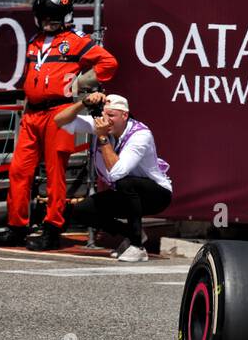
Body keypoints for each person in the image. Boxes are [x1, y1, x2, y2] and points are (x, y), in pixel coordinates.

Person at [0, 0, 118, 251]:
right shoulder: (33, 42)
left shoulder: (75, 42)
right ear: (38, 18)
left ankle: (52, 230)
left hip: (58, 114)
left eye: (57, 17)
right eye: (47, 17)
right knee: (18, 171)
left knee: (55, 173)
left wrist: (82, 82)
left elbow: (109, 62)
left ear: (65, 17)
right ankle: (16, 227)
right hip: (32, 114)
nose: (51, 21)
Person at [54, 92, 173, 263]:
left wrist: (102, 137)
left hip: (156, 195)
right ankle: (132, 233)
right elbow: (60, 120)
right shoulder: (100, 125)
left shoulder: (140, 135)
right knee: (81, 211)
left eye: (112, 116)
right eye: (104, 114)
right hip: (126, 192)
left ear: (124, 116)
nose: (106, 120)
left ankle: (137, 246)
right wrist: (83, 103)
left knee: (125, 182)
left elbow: (117, 172)